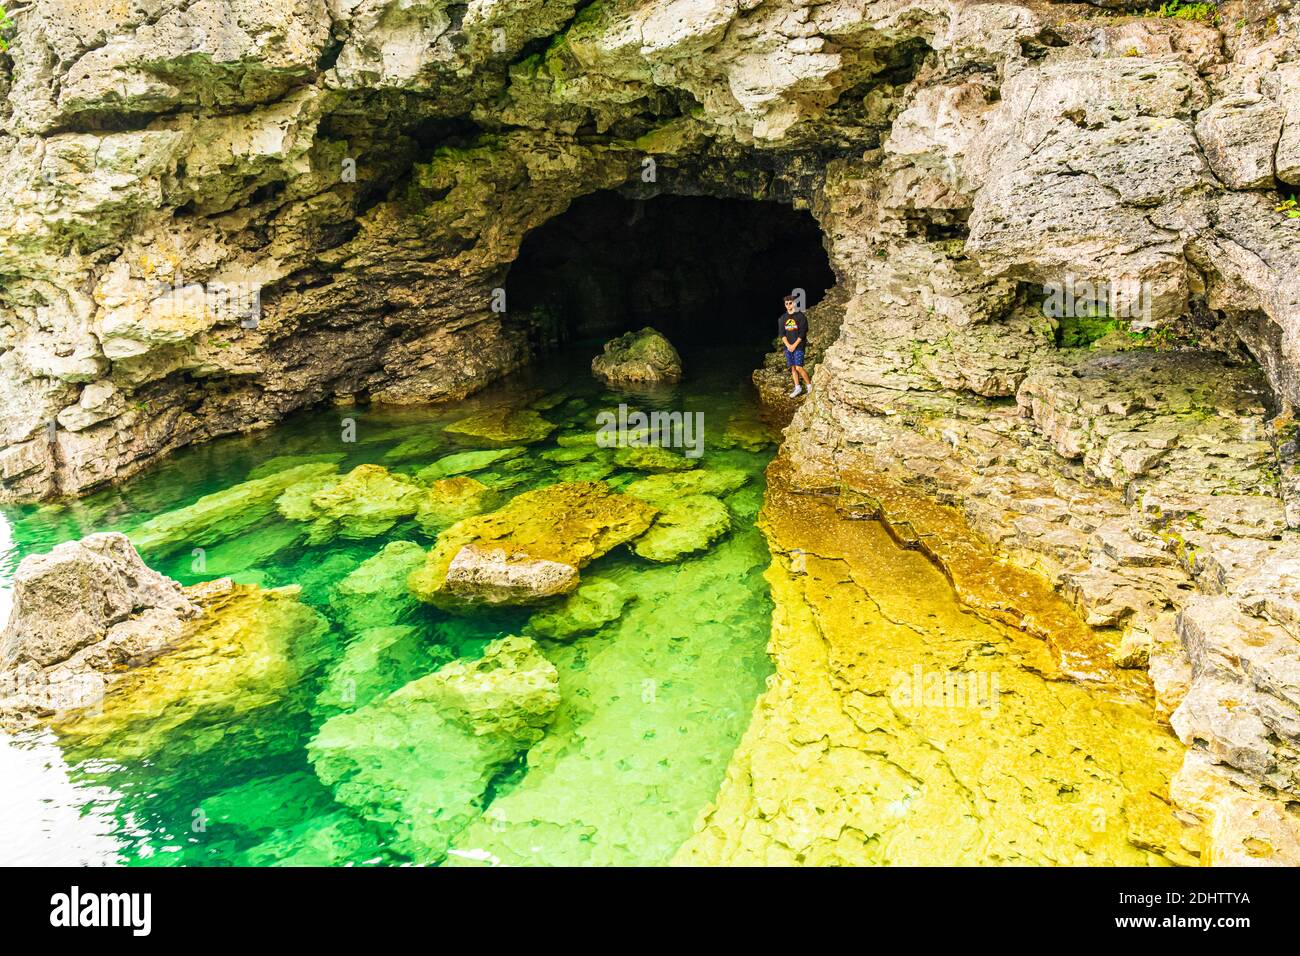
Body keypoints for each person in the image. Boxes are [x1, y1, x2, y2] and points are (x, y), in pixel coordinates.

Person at [779, 294, 812, 397]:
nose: (788, 305)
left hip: (798, 346)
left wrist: (794, 345)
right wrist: (788, 345)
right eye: (786, 304)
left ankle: (809, 386)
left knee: (799, 367)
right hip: (788, 347)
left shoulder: (801, 317)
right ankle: (797, 388)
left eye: (790, 303)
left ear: (794, 303)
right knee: (793, 368)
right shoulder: (783, 318)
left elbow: (803, 333)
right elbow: (782, 334)